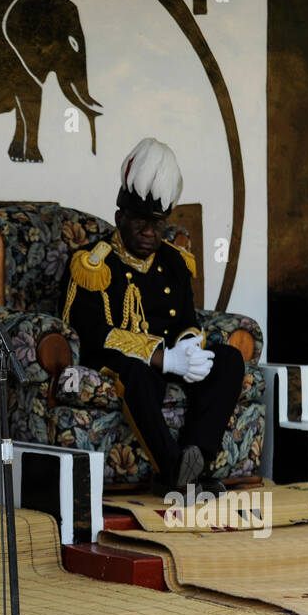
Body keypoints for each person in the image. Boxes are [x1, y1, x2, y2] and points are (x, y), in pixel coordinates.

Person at [62, 138, 244, 495]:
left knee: (228, 359)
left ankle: (197, 457)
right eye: (140, 222)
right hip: (120, 361)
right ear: (119, 218)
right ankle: (173, 468)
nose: (149, 233)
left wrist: (190, 346)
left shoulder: (174, 260)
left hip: (169, 357)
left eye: (157, 224)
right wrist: (163, 358)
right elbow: (91, 331)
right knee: (137, 374)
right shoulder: (93, 262)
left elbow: (186, 319)